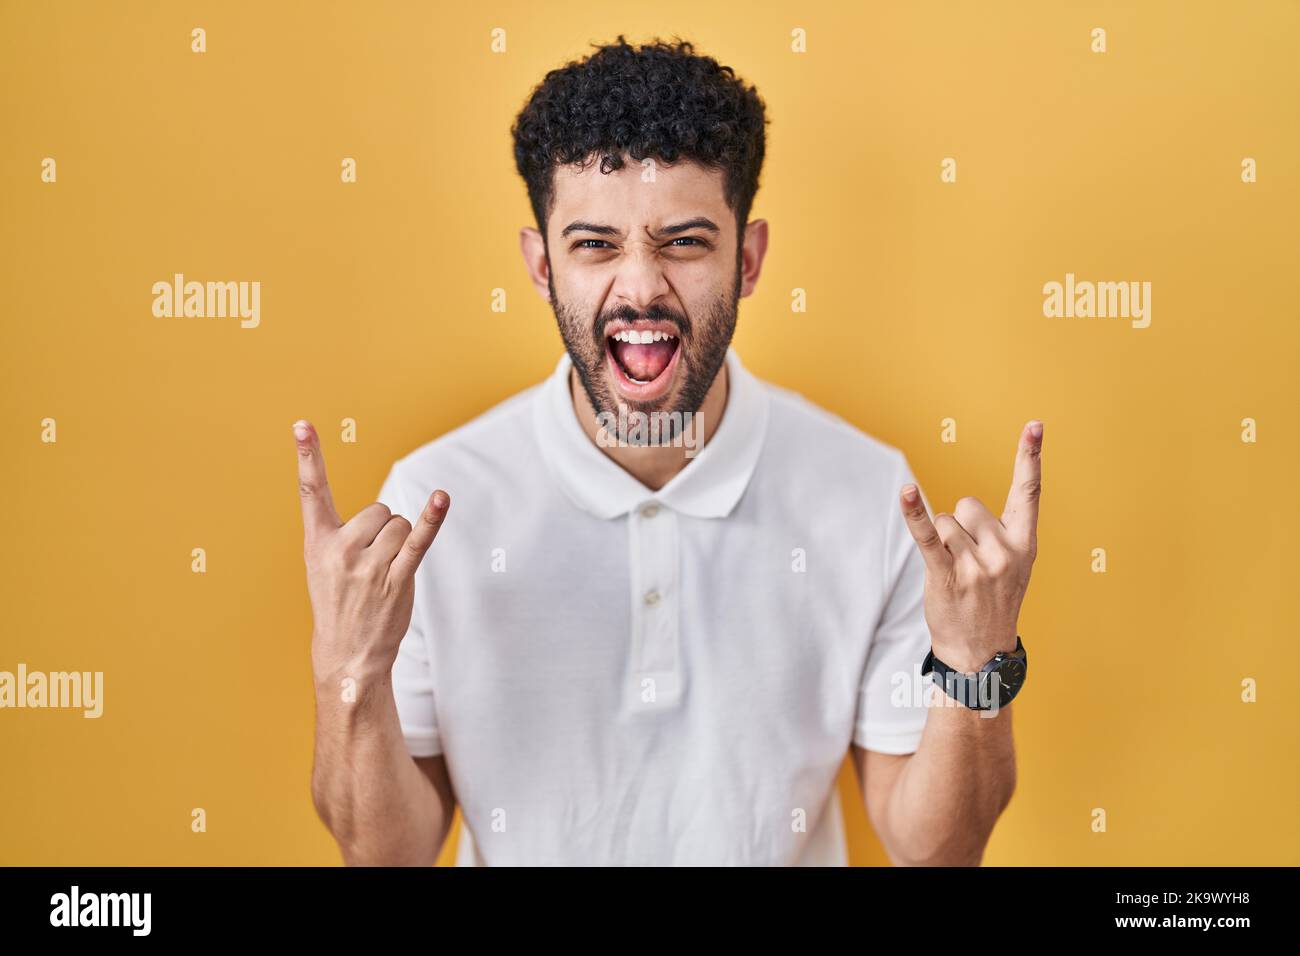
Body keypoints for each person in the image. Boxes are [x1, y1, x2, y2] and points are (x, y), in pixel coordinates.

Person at [297, 36, 1040, 866]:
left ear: (748, 259)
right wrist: (345, 670)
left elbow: (937, 850)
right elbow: (387, 854)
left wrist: (979, 663)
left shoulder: (866, 491)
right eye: (595, 245)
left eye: (684, 242)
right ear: (542, 266)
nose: (643, 285)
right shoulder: (436, 498)